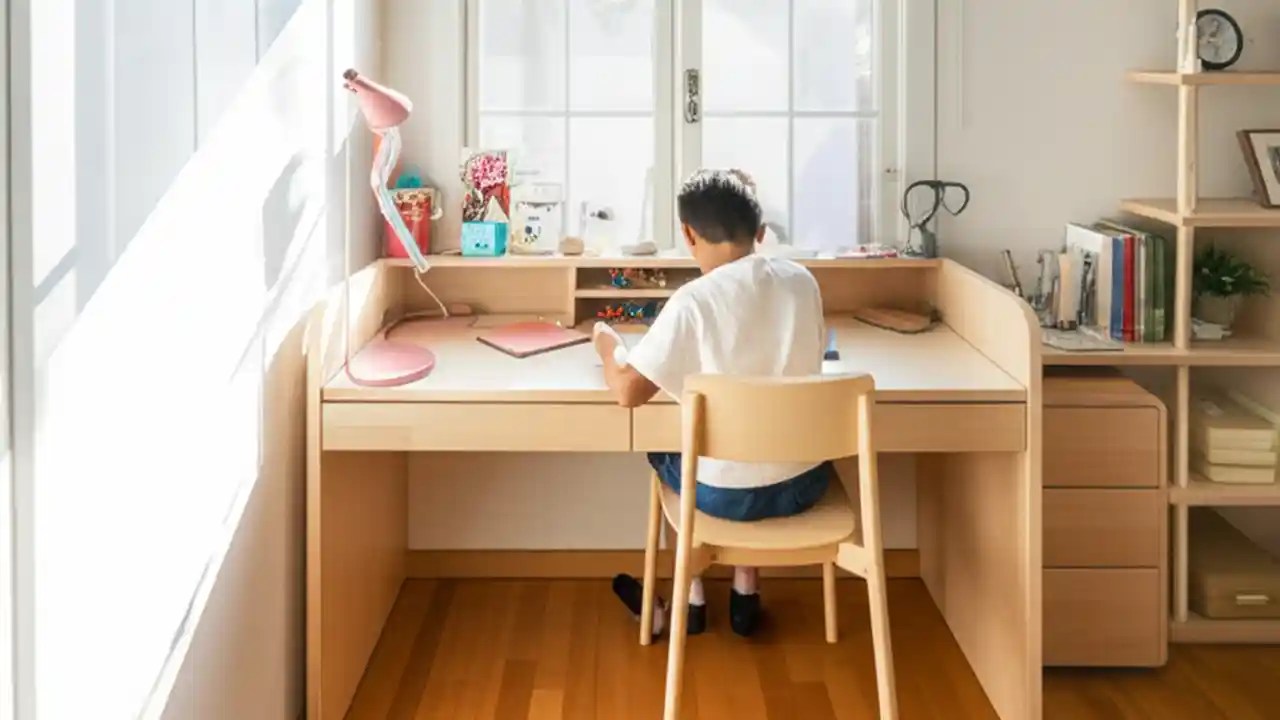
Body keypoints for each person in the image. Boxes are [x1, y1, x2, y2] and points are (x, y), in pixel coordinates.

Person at [592, 169, 832, 638]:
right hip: (806, 483)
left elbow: (628, 392)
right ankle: (745, 590)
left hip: (724, 497)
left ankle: (693, 596)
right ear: (761, 233)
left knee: (667, 450)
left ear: (688, 234)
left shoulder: (693, 302)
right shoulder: (803, 282)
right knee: (751, 448)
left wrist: (606, 342)